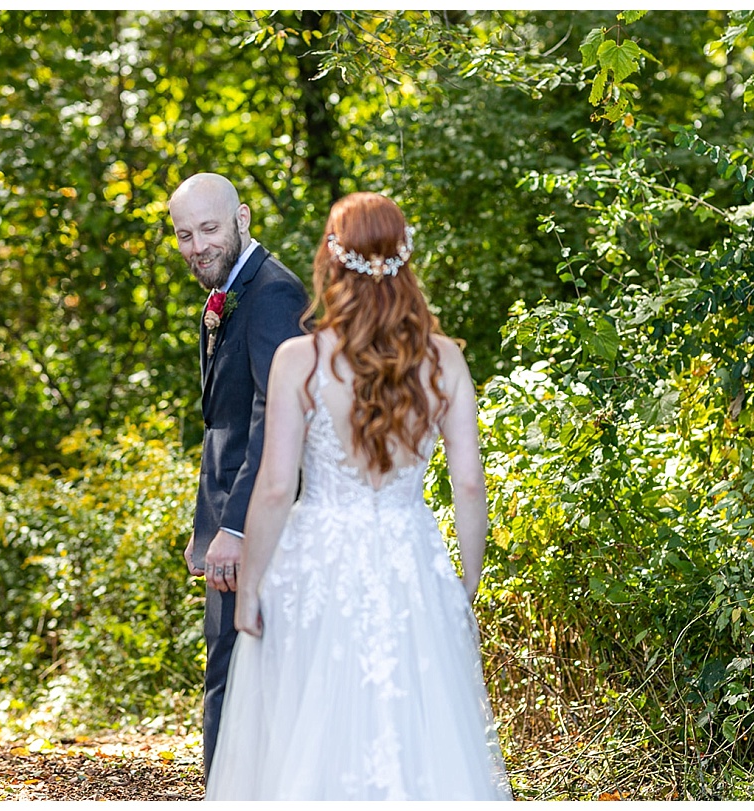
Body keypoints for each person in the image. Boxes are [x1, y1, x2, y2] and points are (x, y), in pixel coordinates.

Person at [205, 192, 512, 800]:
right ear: (405, 256)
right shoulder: (443, 360)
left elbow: (272, 487)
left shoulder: (302, 359)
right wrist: (465, 586)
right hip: (410, 560)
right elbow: (470, 483)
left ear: (331, 258)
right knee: (414, 729)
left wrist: (252, 592)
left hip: (319, 559)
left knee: (314, 722)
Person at [167, 173, 309, 780]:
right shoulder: (233, 290)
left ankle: (224, 792)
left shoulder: (271, 292)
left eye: (210, 229)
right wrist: (207, 524)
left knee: (232, 671)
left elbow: (273, 417)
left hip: (255, 526)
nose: (198, 245)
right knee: (233, 667)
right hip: (229, 519)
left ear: (242, 218)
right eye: (184, 235)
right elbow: (222, 426)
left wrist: (236, 529)